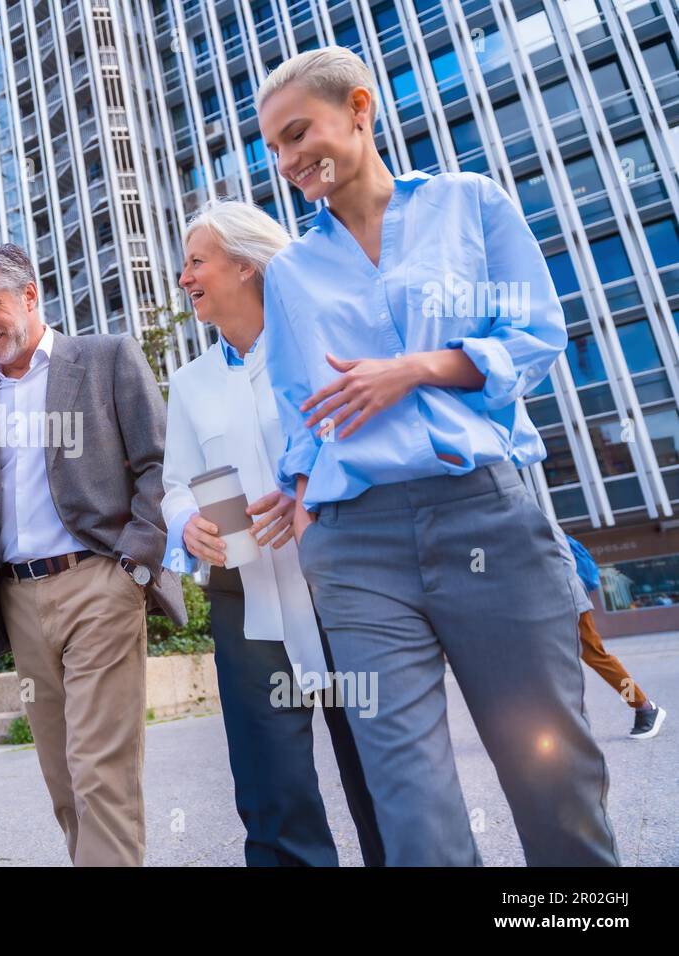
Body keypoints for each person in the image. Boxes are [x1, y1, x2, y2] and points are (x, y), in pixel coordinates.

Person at [259, 47, 618, 865]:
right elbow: (298, 413)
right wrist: (302, 499)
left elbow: (534, 333)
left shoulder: (469, 204)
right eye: (273, 148)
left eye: (297, 133)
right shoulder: (290, 271)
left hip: (485, 513)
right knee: (408, 798)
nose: (285, 162)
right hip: (356, 549)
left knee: (553, 773)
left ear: (359, 108)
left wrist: (418, 368)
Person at [0, 243, 187, 867]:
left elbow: (162, 465)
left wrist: (132, 567)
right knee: (62, 777)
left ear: (30, 296)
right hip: (19, 600)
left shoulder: (106, 359)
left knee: (99, 769)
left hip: (98, 583)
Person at [163, 198, 383, 866]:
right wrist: (185, 524)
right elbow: (175, 483)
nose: (184, 277)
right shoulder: (191, 381)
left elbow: (364, 439)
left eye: (196, 261)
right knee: (271, 786)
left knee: (382, 769)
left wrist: (309, 495)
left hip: (343, 585)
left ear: (248, 266)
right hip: (246, 598)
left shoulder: (324, 345)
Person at [555, 530, 666, 739]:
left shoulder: (533, 517)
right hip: (540, 610)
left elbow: (566, 564)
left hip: (567, 604)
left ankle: (644, 706)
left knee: (596, 658)